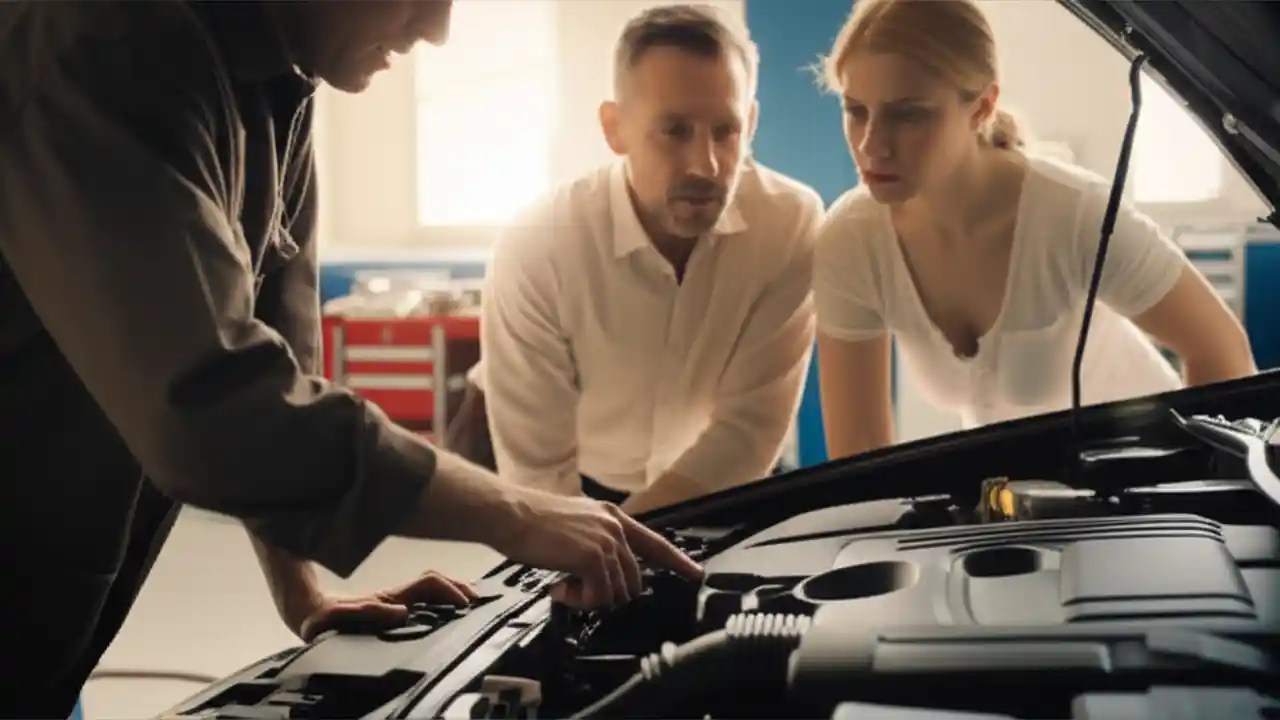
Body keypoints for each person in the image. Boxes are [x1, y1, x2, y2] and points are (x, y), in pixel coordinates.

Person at [0, 1, 701, 716]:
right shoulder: (97, 41)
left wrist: (303, 593)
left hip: (56, 610)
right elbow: (208, 409)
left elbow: (278, 367)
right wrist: (515, 513)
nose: (437, 30)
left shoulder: (283, 85)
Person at [811, 0, 1257, 460]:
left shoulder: (1074, 213)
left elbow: (1222, 350)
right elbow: (858, 452)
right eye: (856, 110)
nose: (871, 145)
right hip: (1018, 498)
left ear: (981, 108)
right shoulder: (851, 239)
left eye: (908, 114)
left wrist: (1192, 485)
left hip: (1142, 488)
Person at [478, 4, 823, 516]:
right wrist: (596, 549)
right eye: (674, 131)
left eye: (725, 131)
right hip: (572, 488)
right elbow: (537, 473)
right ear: (614, 128)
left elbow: (749, 431)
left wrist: (631, 539)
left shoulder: (790, 225)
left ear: (749, 124)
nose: (704, 165)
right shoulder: (540, 244)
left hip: (727, 481)